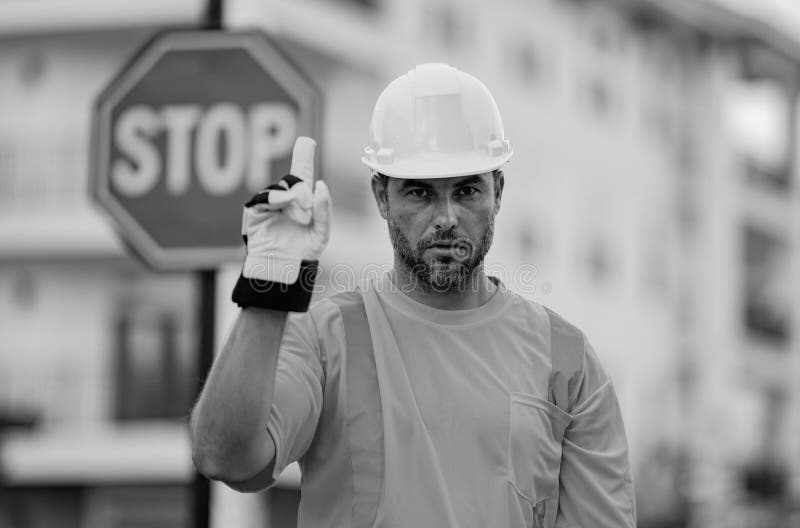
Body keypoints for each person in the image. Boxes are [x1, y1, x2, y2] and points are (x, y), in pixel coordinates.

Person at [190, 63, 636, 528]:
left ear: (498, 192)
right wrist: (269, 285)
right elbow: (225, 458)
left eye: (466, 190)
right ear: (382, 197)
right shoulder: (326, 338)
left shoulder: (568, 359)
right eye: (420, 192)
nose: (446, 217)